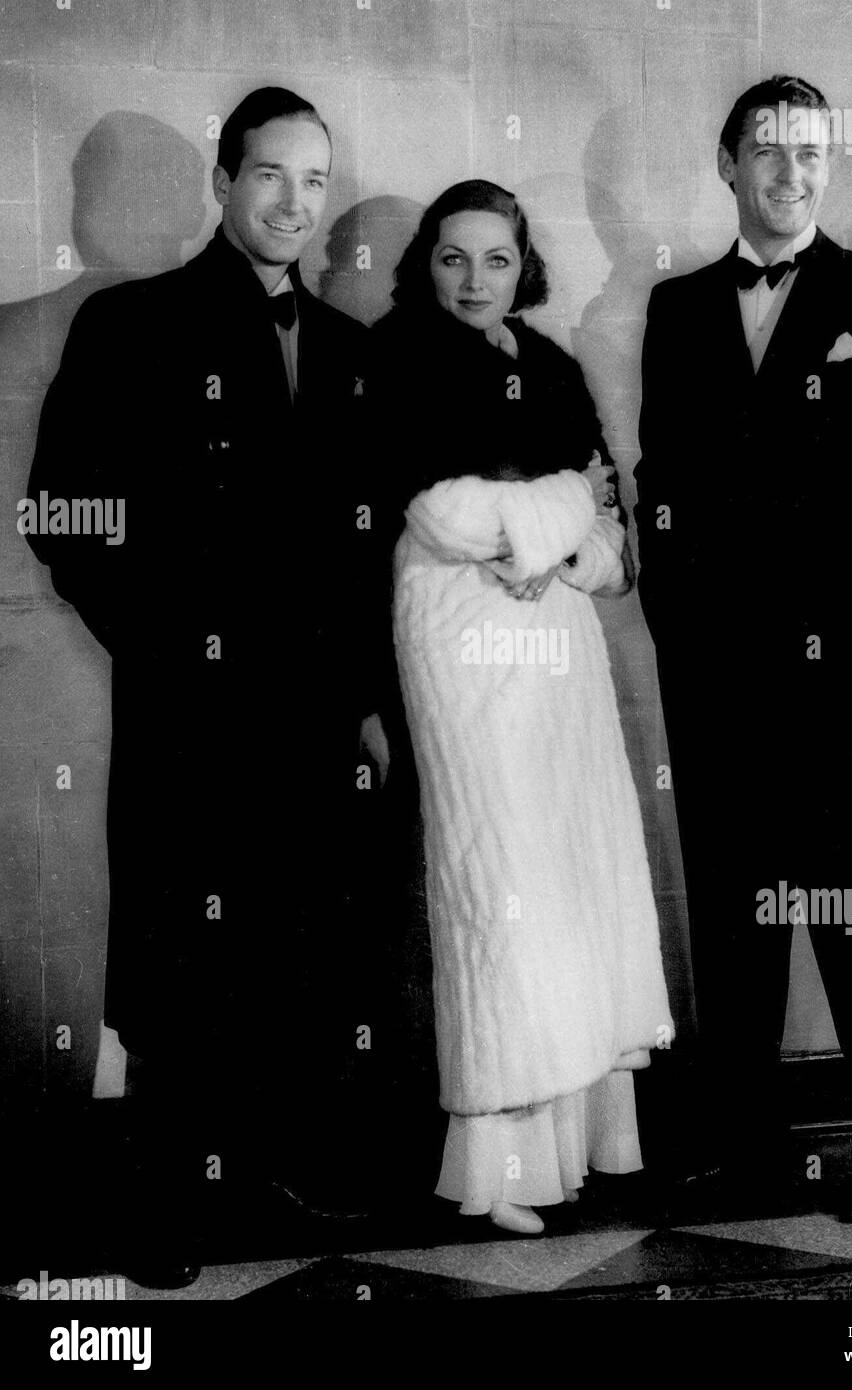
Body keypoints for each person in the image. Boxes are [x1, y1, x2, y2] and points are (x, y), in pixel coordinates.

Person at [24, 87, 389, 1285]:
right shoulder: (134, 326)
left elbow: (364, 546)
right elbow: (63, 510)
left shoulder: (350, 352)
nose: (294, 203)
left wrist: (368, 701)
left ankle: (274, 1170)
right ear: (222, 184)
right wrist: (162, 641)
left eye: (316, 182)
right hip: (191, 715)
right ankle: (166, 1202)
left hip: (310, 716)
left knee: (296, 943)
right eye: (271, 176)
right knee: (182, 957)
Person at [635, 75, 852, 1223]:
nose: (793, 172)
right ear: (726, 163)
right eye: (769, 151)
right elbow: (661, 486)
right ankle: (749, 1150)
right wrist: (677, 617)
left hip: (842, 660)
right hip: (717, 667)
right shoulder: (678, 309)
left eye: (812, 151)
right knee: (737, 910)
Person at [373, 180, 675, 1236]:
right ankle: (497, 1170)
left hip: (556, 643)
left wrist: (551, 536)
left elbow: (611, 540)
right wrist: (550, 523)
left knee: (569, 872)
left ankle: (588, 1149)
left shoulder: (549, 365)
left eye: (495, 259)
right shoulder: (395, 356)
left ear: (522, 265)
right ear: (428, 264)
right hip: (457, 635)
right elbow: (440, 511)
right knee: (493, 879)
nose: (474, 280)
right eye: (453, 258)